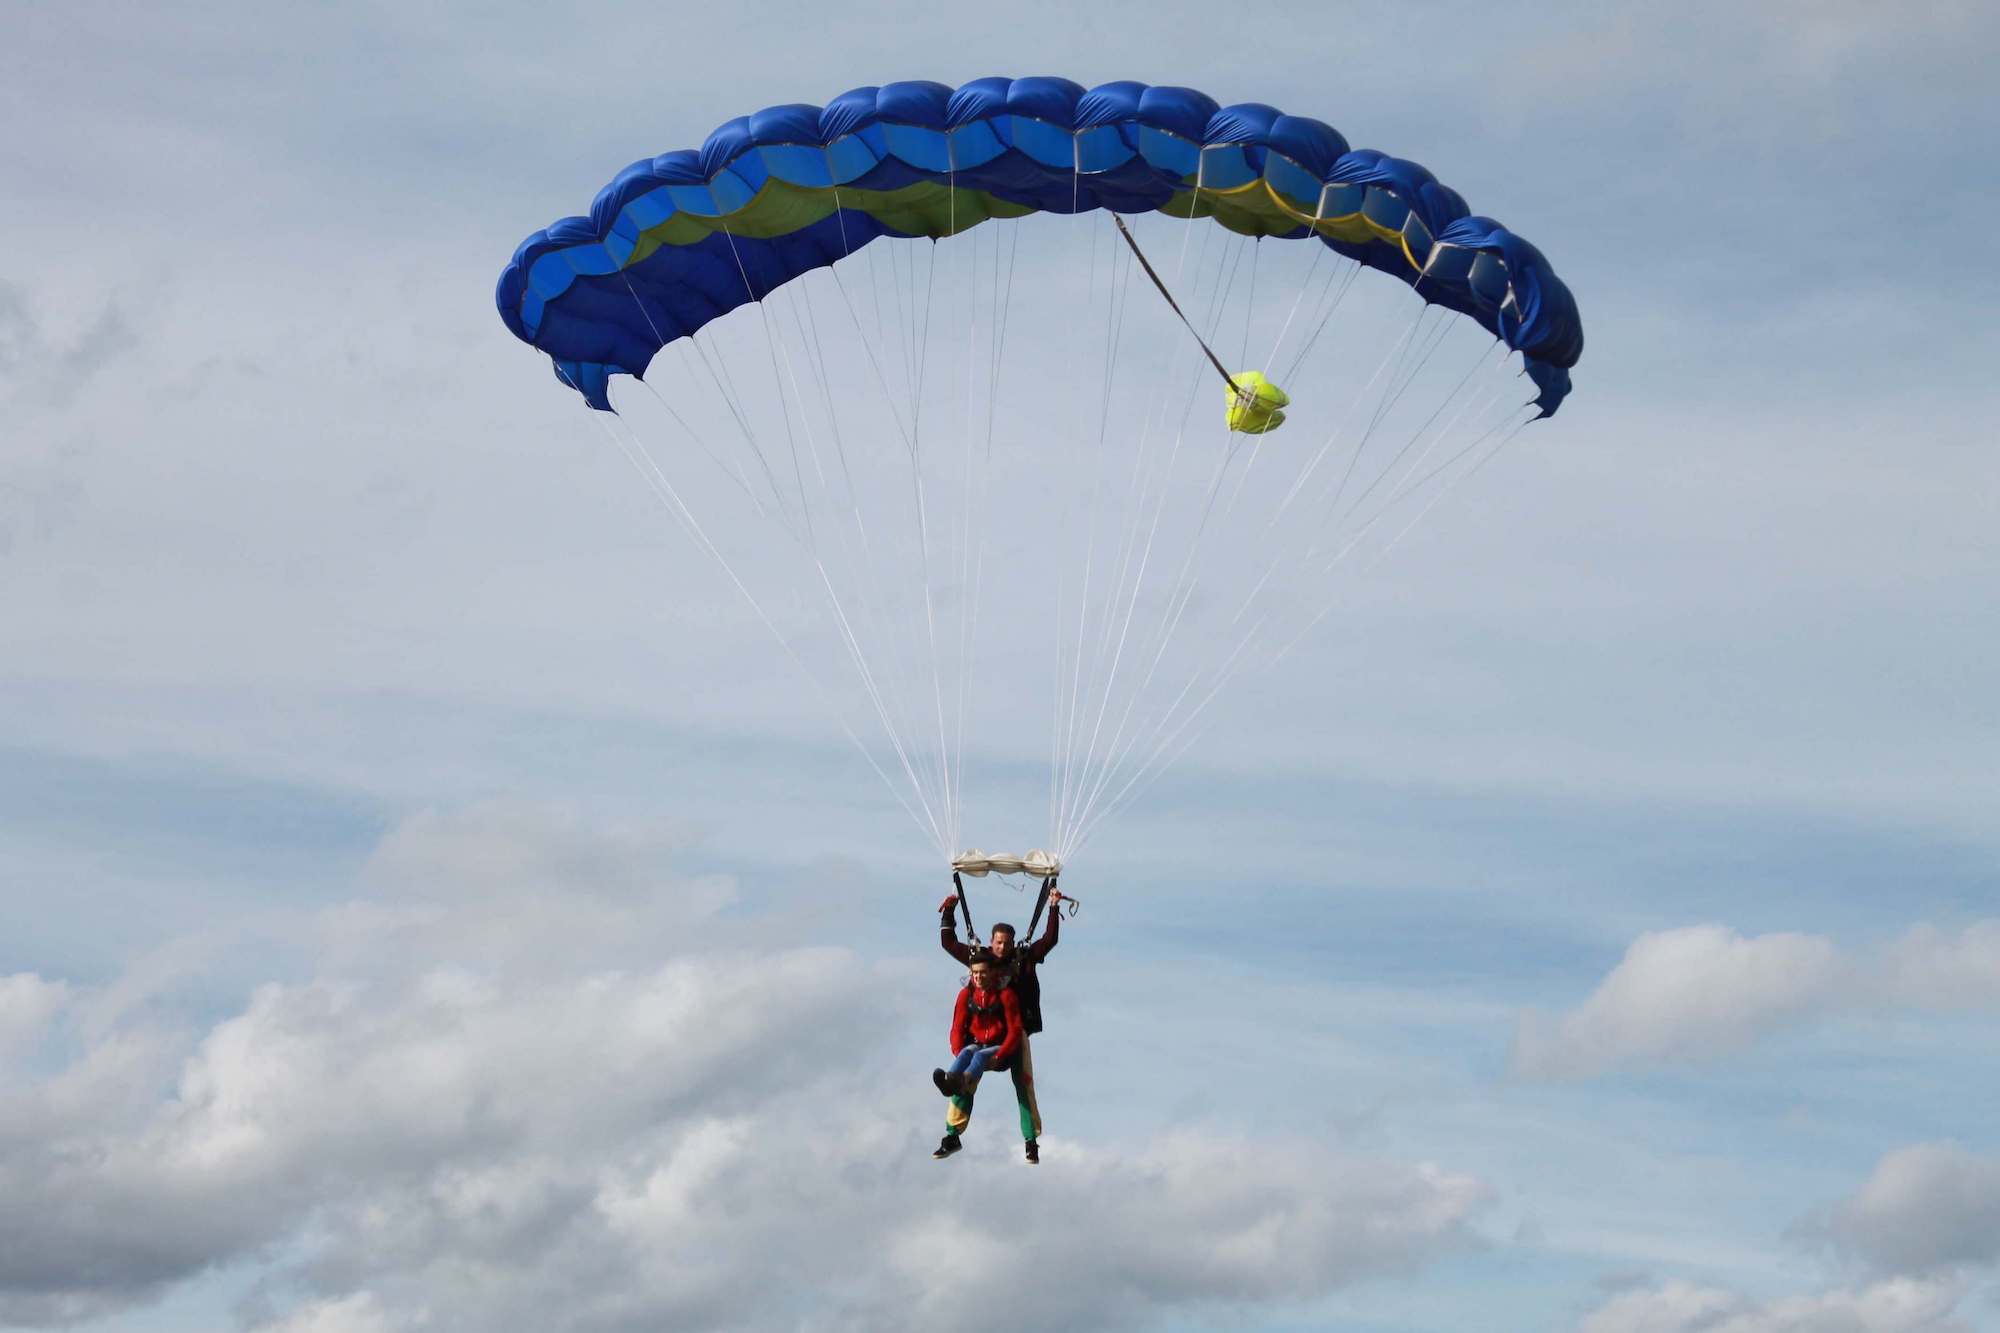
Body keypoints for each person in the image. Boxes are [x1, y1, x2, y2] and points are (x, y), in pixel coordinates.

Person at [936, 882, 1064, 1163]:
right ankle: (952, 1135)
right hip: (982, 1035)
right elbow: (949, 943)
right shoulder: (980, 961)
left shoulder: (1023, 959)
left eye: (1006, 943)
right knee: (965, 1079)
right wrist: (949, 911)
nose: (1002, 947)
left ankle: (1031, 1141)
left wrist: (1053, 907)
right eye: (998, 942)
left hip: (1014, 1034)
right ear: (991, 942)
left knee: (1024, 1082)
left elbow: (1048, 941)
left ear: (1011, 942)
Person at [929, 951, 1021, 1159]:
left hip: (999, 1048)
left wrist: (1002, 1054)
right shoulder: (966, 995)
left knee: (978, 1058)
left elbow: (1015, 1030)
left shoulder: (1005, 995)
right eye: (975, 974)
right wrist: (957, 1049)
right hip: (976, 1044)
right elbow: (956, 1027)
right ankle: (949, 1081)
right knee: (966, 1053)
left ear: (992, 973)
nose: (978, 977)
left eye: (983, 973)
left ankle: (962, 1080)